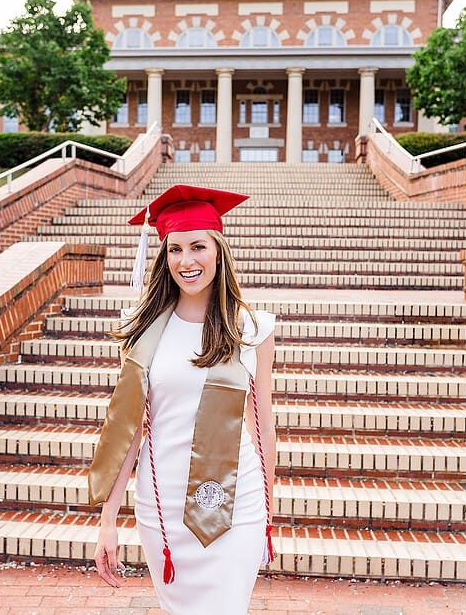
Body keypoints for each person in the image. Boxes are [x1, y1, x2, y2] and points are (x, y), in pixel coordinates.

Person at [88, 185, 277, 614]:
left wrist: (266, 511)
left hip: (236, 504)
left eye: (197, 247)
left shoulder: (253, 329)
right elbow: (128, 431)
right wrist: (108, 521)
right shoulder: (144, 333)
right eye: (175, 249)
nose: (186, 261)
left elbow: (263, 425)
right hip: (163, 508)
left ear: (219, 251)